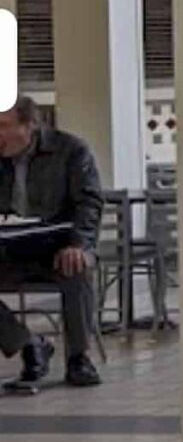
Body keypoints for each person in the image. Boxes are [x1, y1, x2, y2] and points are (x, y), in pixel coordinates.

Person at [0, 99, 104, 389]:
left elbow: (89, 202)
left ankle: (79, 358)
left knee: (75, 265)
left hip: (57, 244)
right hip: (9, 248)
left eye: (3, 126)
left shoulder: (71, 151)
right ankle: (28, 344)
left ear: (30, 125)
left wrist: (80, 244)